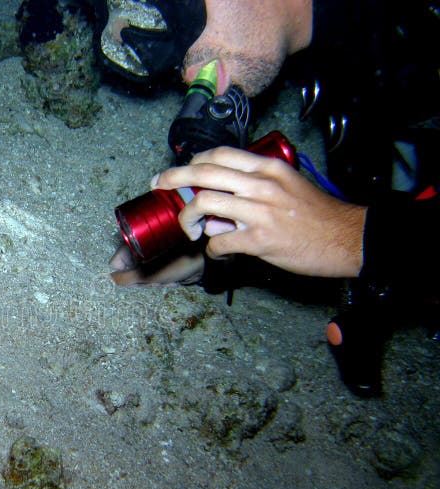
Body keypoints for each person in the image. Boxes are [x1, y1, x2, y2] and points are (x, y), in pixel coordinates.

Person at [99, 0, 439, 395]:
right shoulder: (346, 54)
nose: (164, 56)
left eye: (166, 6)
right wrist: (220, 259)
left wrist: (352, 235)